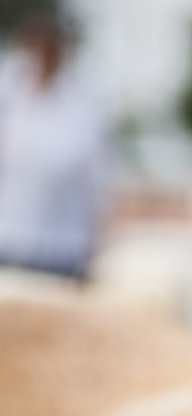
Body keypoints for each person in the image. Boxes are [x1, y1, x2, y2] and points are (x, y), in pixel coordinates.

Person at [0, 11, 106, 282]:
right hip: (10, 239)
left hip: (61, 249)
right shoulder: (12, 93)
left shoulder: (83, 103)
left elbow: (97, 177)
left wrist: (95, 240)